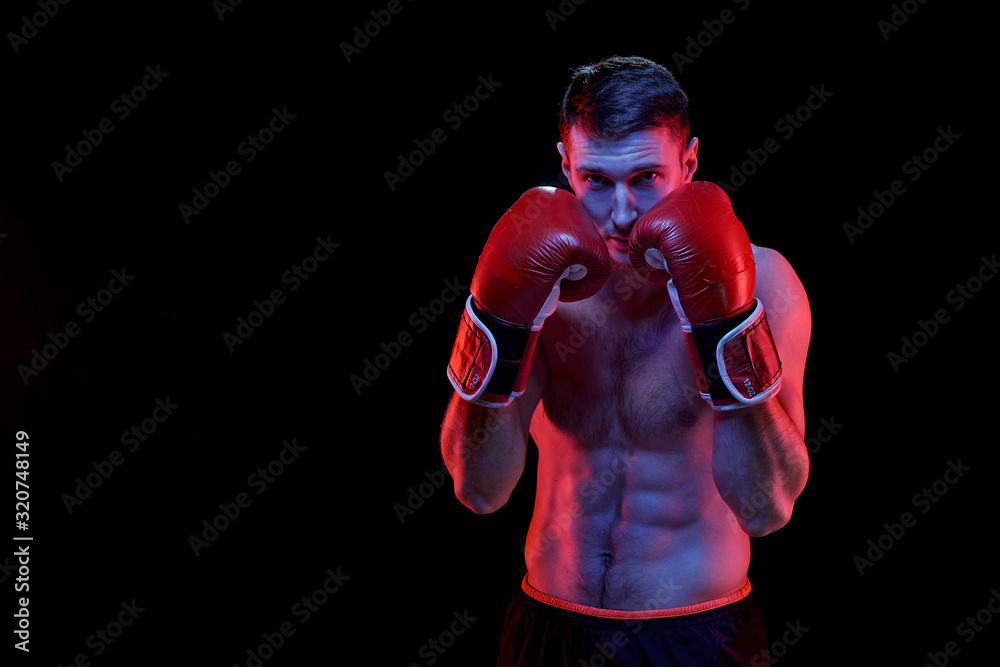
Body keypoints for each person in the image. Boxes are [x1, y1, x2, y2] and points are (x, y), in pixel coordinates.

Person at [440, 55, 811, 666]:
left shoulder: (764, 283)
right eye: (596, 181)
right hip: (548, 630)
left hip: (699, 637)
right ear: (565, 169)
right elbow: (479, 491)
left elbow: (766, 509)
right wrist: (500, 327)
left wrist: (725, 326)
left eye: (645, 178)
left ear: (689, 163)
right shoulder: (536, 284)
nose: (620, 213)